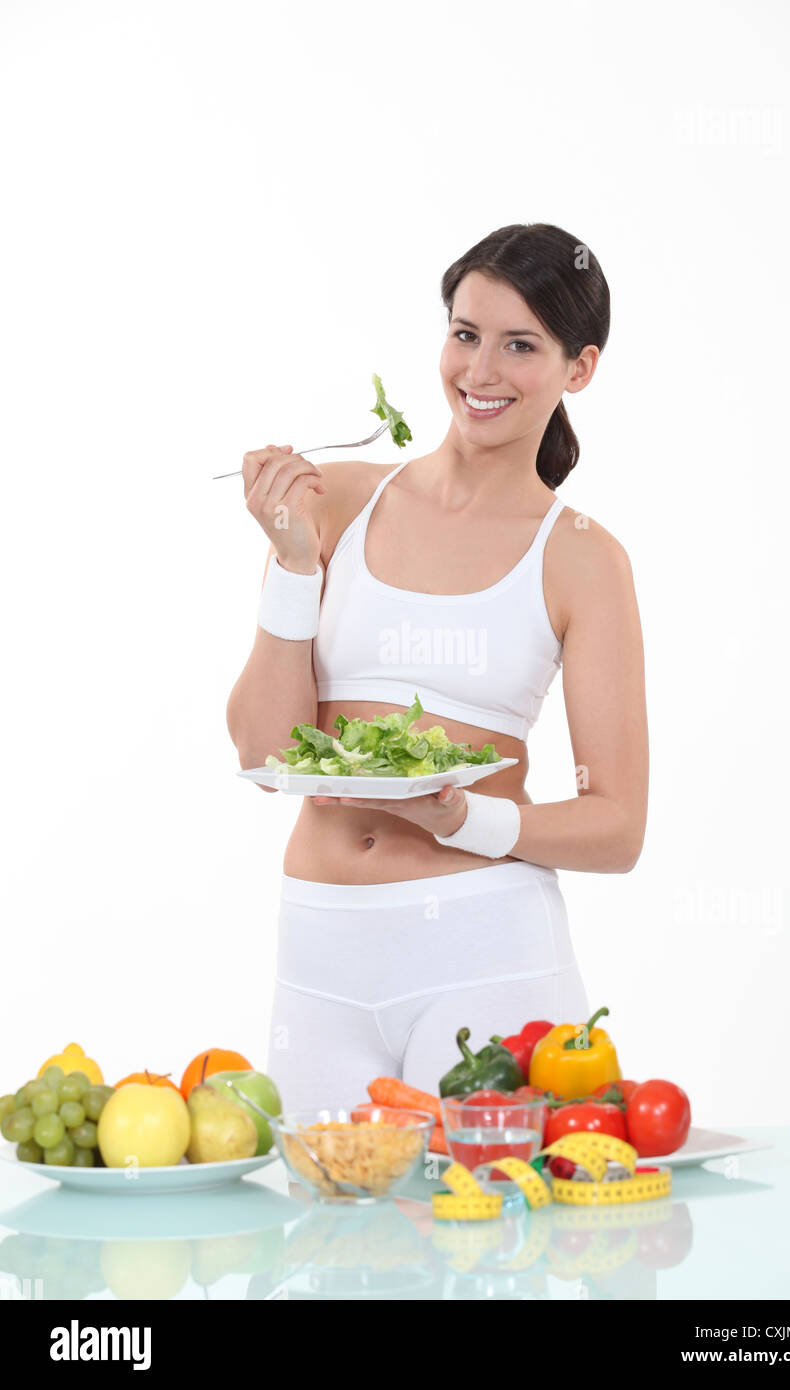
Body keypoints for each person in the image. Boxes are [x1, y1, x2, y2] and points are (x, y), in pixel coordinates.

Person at [226, 222, 648, 1112]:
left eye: (520, 346)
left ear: (581, 369)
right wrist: (295, 566)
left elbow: (617, 826)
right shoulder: (334, 503)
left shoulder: (580, 558)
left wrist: (467, 821)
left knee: (488, 1238)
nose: (480, 371)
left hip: (485, 951)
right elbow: (264, 754)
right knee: (329, 1233)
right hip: (320, 953)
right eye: (465, 334)